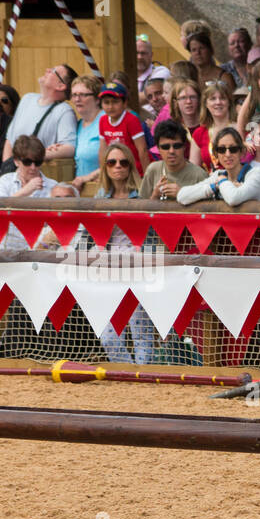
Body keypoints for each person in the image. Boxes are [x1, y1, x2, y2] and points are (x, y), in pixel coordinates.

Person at [93, 143, 156, 365]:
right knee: (108, 335)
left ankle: (143, 379)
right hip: (108, 270)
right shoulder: (100, 196)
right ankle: (128, 374)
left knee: (141, 333)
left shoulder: (141, 195)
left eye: (123, 162)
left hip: (139, 267)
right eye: (112, 162)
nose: (118, 167)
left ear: (130, 166)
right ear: (106, 167)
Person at [3, 63, 78, 168]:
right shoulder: (27, 99)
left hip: (37, 174)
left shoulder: (65, 112)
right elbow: (9, 140)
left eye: (53, 71)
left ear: (60, 86)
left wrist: (34, 158)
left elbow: (69, 148)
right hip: (14, 176)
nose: (47, 69)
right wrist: (6, 168)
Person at [0, 137, 58, 248]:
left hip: (41, 251)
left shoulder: (54, 186)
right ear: (16, 161)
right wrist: (25, 191)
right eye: (27, 162)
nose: (33, 167)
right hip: (8, 249)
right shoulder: (5, 181)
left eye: (37, 162)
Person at [177, 126, 260, 205]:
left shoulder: (256, 174)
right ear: (216, 154)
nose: (227, 154)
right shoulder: (218, 175)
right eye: (222, 149)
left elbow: (233, 198)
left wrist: (222, 182)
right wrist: (214, 187)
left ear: (242, 152)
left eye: (233, 149)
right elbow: (182, 196)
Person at [139, 119, 208, 200]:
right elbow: (141, 207)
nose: (171, 151)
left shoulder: (199, 175)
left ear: (184, 147)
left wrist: (182, 194)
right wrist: (155, 195)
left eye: (177, 146)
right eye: (165, 147)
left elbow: (207, 210)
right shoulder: (153, 169)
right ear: (158, 149)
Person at [98, 82, 148, 176]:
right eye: (106, 102)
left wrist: (147, 178)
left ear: (125, 103)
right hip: (115, 171)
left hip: (135, 172)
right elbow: (103, 150)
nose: (110, 107)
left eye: (115, 102)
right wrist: (103, 174)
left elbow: (143, 150)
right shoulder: (102, 120)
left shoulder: (131, 120)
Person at [68, 75, 104, 192]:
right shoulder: (78, 124)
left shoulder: (106, 121)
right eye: (74, 95)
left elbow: (118, 159)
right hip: (84, 192)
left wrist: (89, 177)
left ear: (97, 98)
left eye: (83, 95)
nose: (77, 99)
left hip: (104, 189)